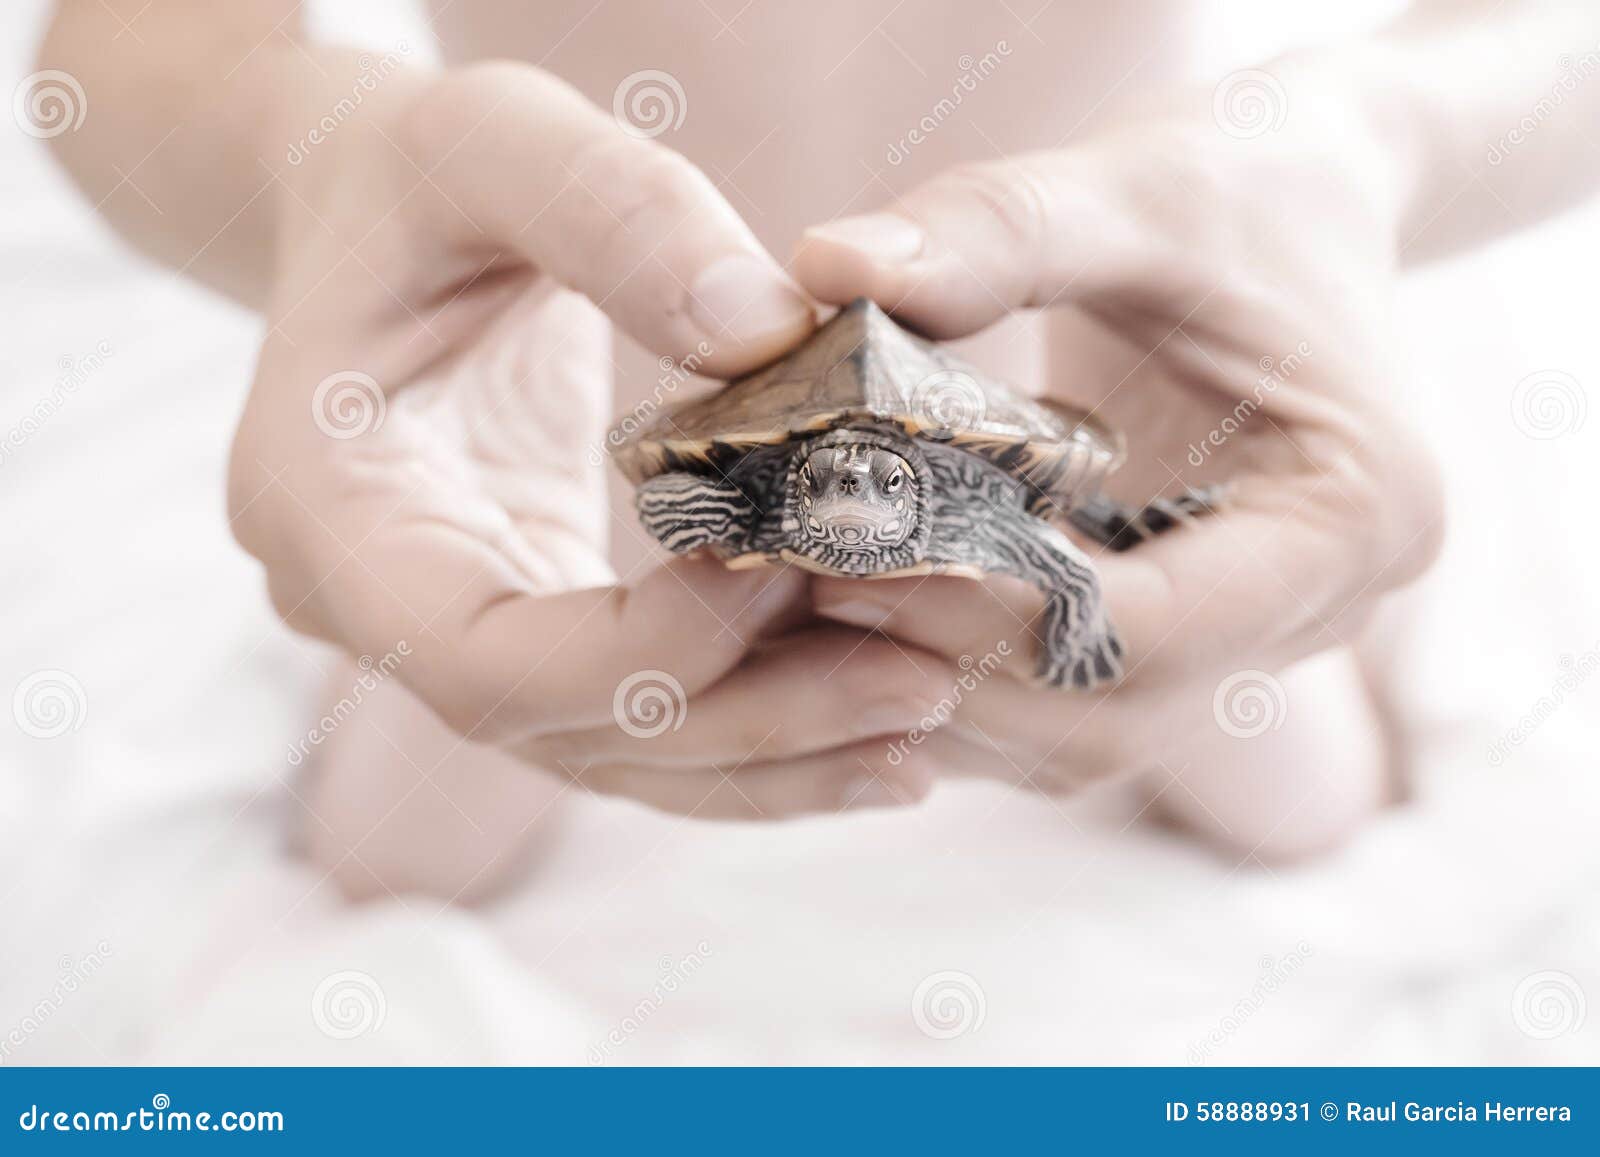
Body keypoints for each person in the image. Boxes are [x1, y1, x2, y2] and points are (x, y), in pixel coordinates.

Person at [37, 1, 1600, 898]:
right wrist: (309, 157)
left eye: (869, 486)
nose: (854, 493)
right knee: (402, 860)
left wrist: (1363, 138)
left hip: (1101, 384)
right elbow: (110, 45)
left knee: (1298, 792)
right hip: (561, 435)